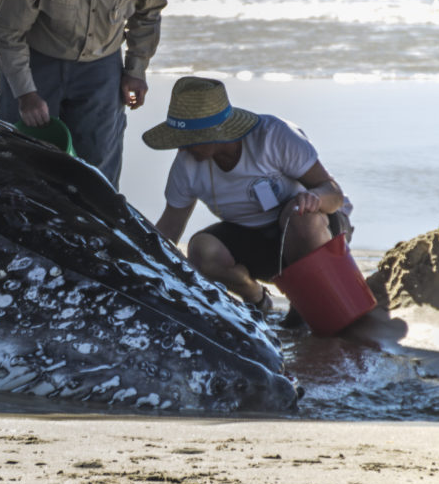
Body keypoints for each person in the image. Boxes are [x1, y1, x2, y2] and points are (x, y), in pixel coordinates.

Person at [0, 0, 168, 188]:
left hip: (102, 64)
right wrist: (25, 92)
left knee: (97, 164)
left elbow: (148, 15)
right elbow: (7, 31)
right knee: (19, 154)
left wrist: (136, 70)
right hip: (38, 60)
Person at [144, 76, 352, 313]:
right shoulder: (186, 164)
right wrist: (135, 254)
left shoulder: (273, 135)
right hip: (256, 245)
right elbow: (169, 228)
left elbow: (333, 194)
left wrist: (315, 199)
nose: (182, 148)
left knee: (299, 215)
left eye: (188, 140)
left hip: (313, 232)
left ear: (217, 131)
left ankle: (310, 304)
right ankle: (256, 298)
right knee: (201, 249)